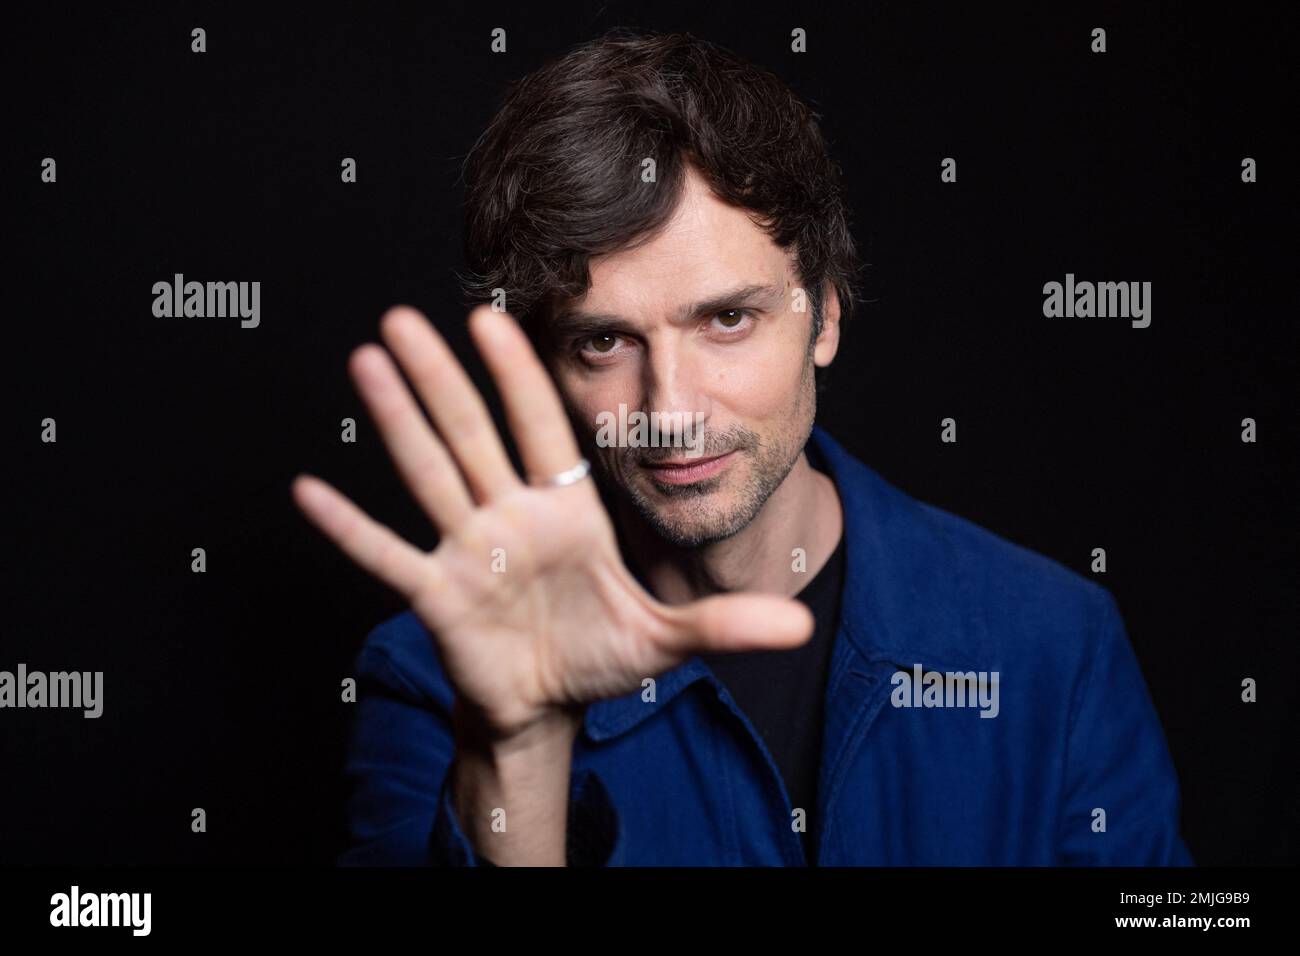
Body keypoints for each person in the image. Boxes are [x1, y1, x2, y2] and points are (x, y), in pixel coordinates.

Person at [291, 28, 1193, 866]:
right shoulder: (434, 675)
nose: (670, 409)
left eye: (727, 319)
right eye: (603, 341)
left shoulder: (1051, 646)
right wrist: (519, 750)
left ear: (825, 315)